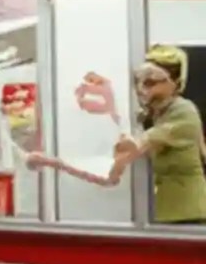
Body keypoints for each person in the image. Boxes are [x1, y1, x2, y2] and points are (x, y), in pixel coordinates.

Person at [28, 45, 206, 223]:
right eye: (139, 81)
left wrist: (52, 161)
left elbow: (115, 166)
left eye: (151, 82)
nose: (142, 89)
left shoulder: (183, 112)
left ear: (175, 83)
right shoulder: (155, 113)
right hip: (167, 214)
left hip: (187, 216)